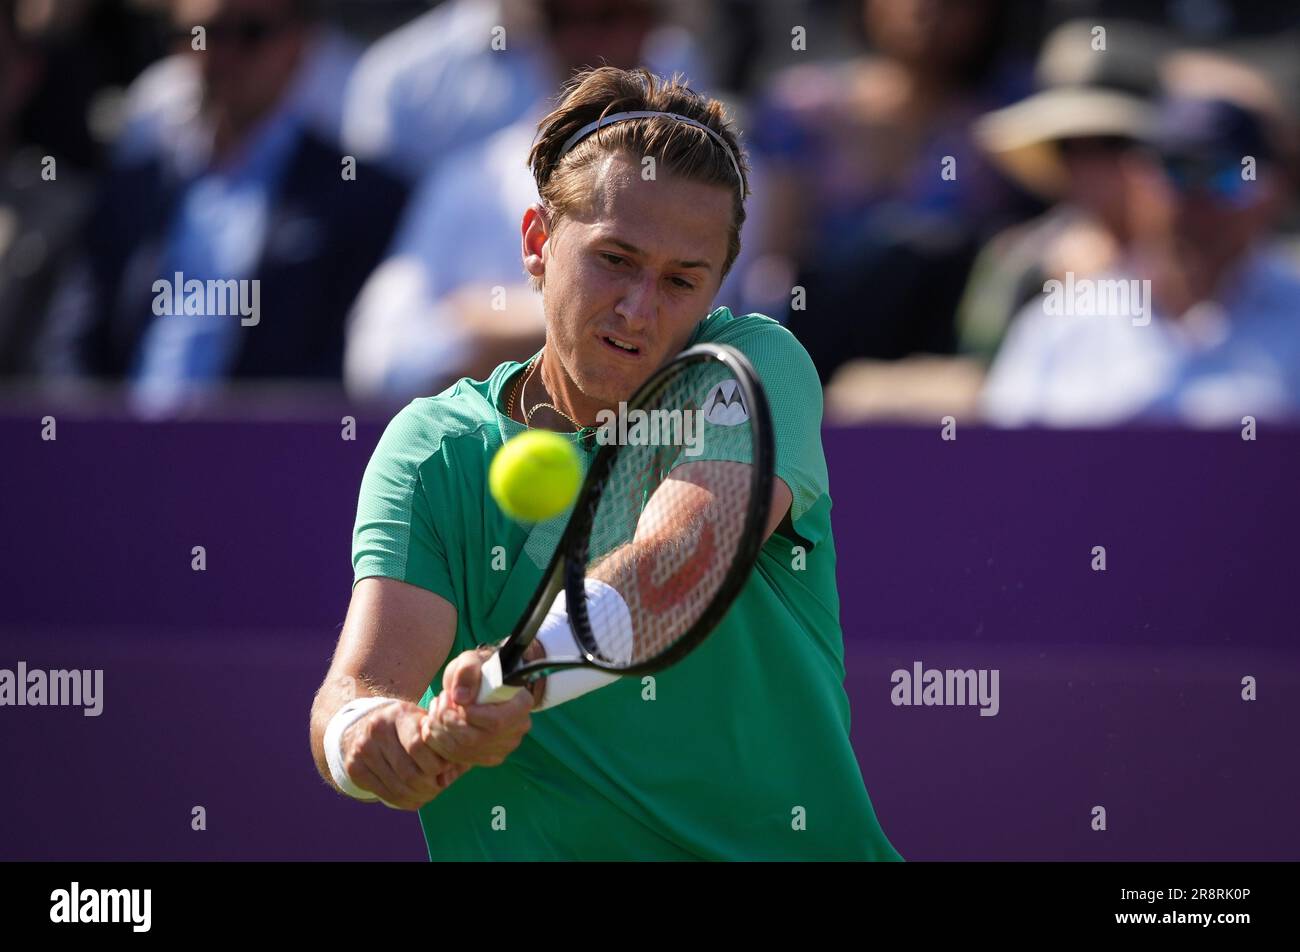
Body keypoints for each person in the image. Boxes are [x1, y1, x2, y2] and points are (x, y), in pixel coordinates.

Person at [310, 66, 902, 861]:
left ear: (715, 288)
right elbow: (358, 688)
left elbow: (678, 568)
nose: (638, 309)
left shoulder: (754, 369)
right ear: (536, 243)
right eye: (615, 259)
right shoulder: (434, 449)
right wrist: (373, 737)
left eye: (680, 280)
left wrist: (516, 675)